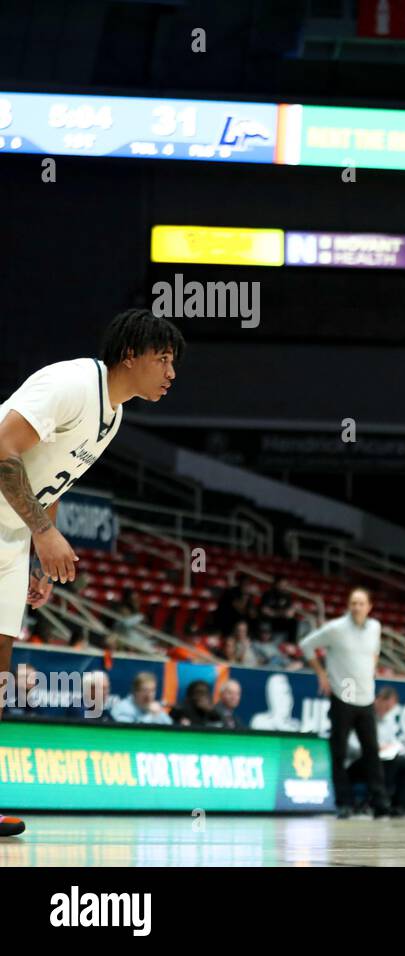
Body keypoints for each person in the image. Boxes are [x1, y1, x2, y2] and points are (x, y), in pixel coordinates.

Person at [0, 309, 182, 838]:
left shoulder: (113, 413)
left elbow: (54, 479)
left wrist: (36, 548)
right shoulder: (73, 382)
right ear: (131, 355)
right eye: (164, 359)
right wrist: (44, 534)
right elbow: (3, 449)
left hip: (11, 539)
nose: (172, 374)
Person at [300, 587, 389, 819]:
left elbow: (374, 652)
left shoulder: (375, 627)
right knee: (338, 752)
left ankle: (380, 803)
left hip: (367, 697)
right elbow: (306, 645)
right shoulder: (336, 628)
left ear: (369, 606)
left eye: (361, 603)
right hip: (343, 695)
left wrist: (371, 672)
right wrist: (321, 674)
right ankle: (344, 802)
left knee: (371, 752)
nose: (356, 607)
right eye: (353, 603)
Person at [347, 687, 405, 815]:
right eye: (386, 707)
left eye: (390, 709)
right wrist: (372, 748)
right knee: (388, 763)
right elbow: (350, 745)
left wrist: (394, 747)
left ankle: (400, 805)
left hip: (382, 760)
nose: (387, 711)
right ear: (378, 700)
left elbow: (393, 742)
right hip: (357, 762)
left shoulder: (388, 719)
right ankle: (379, 802)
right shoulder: (362, 714)